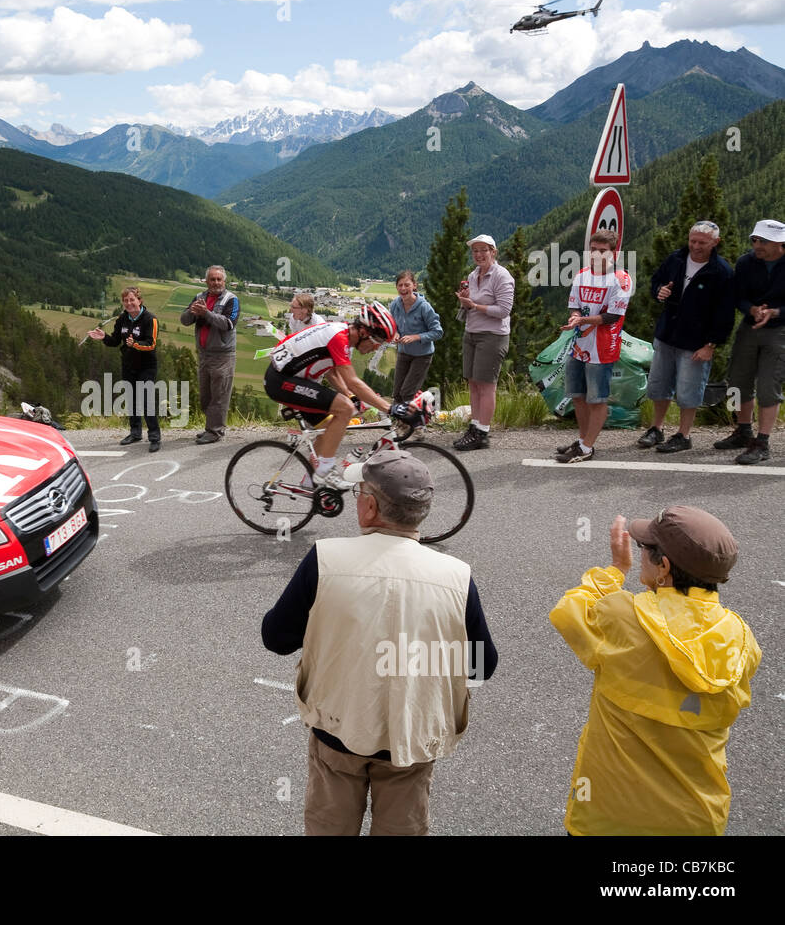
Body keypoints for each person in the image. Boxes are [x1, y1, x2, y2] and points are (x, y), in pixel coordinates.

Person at [263, 450, 498, 835]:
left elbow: (276, 638)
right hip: (411, 738)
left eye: (358, 492)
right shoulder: (456, 576)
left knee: (329, 826)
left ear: (369, 507)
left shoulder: (325, 558)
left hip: (338, 729)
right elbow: (482, 666)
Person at [550, 507, 759, 835]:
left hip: (609, 815)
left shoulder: (622, 615)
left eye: (644, 549)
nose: (640, 554)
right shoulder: (741, 637)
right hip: (696, 818)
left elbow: (569, 609)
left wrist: (616, 569)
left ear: (664, 567)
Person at [264, 302, 410, 489]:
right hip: (281, 381)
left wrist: (351, 396)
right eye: (377, 343)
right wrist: (390, 408)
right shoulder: (339, 338)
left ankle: (310, 482)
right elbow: (353, 382)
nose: (376, 349)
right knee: (344, 409)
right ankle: (325, 470)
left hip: (293, 380)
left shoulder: (344, 336)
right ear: (364, 333)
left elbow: (332, 373)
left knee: (329, 428)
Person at [637, 221, 735, 453]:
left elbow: (725, 313)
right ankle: (656, 429)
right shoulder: (676, 259)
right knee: (659, 385)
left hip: (696, 343)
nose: (696, 246)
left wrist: (711, 345)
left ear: (715, 243)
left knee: (688, 390)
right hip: (667, 336)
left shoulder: (722, 272)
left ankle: (684, 434)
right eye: (693, 240)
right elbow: (655, 282)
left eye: (702, 242)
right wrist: (659, 291)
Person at [554, 229, 633, 463]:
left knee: (596, 399)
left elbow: (612, 316)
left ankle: (587, 447)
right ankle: (582, 441)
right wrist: (574, 317)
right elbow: (574, 305)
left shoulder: (621, 278)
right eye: (593, 250)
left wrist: (582, 320)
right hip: (579, 344)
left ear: (613, 252)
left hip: (602, 347)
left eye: (603, 251)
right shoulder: (581, 275)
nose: (597, 255)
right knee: (578, 396)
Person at [714, 218, 785, 465]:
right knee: (735, 383)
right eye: (754, 239)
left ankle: (762, 442)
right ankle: (742, 430)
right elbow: (737, 296)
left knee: (768, 386)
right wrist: (752, 309)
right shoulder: (746, 262)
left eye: (763, 241)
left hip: (780, 331)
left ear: (779, 243)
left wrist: (775, 313)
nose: (757, 245)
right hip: (749, 327)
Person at [454, 234, 514, 450]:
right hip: (471, 333)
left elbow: (504, 310)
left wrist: (475, 306)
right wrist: (465, 300)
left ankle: (483, 433)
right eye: (475, 251)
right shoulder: (473, 275)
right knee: (473, 383)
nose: (479, 255)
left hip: (492, 336)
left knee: (487, 386)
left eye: (483, 250)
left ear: (493, 252)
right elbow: (471, 304)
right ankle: (475, 425)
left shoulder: (502, 276)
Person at [88, 286, 161, 453]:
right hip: (128, 365)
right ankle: (135, 433)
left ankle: (155, 437)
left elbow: (151, 343)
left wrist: (135, 344)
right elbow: (115, 341)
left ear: (139, 300)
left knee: (146, 401)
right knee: (132, 399)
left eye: (132, 300)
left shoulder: (150, 319)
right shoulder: (122, 319)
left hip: (146, 366)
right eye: (126, 301)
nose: (129, 303)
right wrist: (104, 337)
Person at [179, 265, 239, 444]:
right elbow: (184, 320)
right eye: (212, 279)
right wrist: (192, 312)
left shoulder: (231, 299)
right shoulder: (199, 297)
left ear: (224, 281)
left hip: (223, 355)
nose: (216, 283)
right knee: (206, 395)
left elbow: (228, 324)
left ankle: (215, 431)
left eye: (219, 279)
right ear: (206, 281)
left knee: (219, 395)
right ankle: (211, 427)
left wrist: (206, 314)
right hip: (204, 354)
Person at [388, 270, 443, 404]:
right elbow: (392, 325)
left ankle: (410, 422)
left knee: (407, 392)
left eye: (407, 285)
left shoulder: (424, 307)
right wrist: (395, 333)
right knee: (397, 393)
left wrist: (416, 337)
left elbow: (438, 332)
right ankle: (398, 420)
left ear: (414, 285)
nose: (403, 288)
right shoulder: (395, 304)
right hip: (403, 353)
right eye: (400, 285)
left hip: (422, 356)